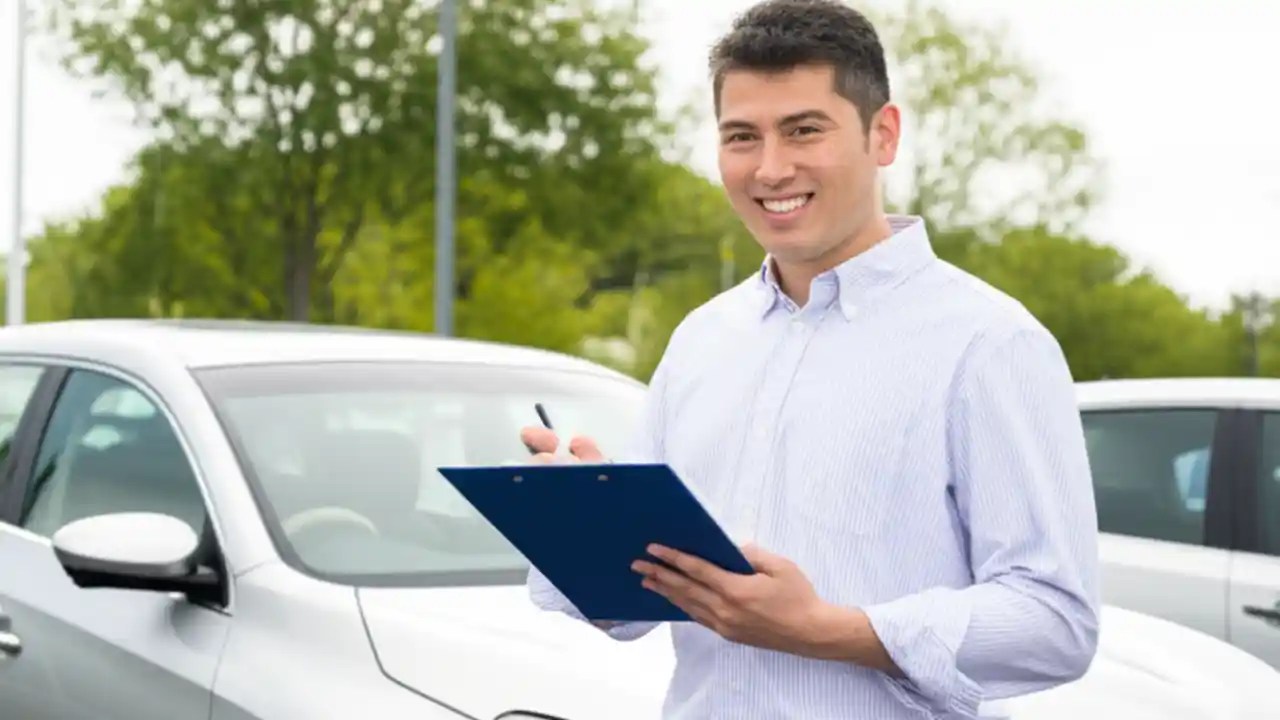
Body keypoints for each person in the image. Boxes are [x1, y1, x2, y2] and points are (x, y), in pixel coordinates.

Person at [521, 0, 1100, 717]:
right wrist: (579, 525)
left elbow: (1055, 623)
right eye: (741, 136)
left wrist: (831, 631)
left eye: (803, 130)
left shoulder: (990, 345)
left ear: (882, 135)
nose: (770, 168)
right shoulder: (701, 340)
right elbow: (636, 609)